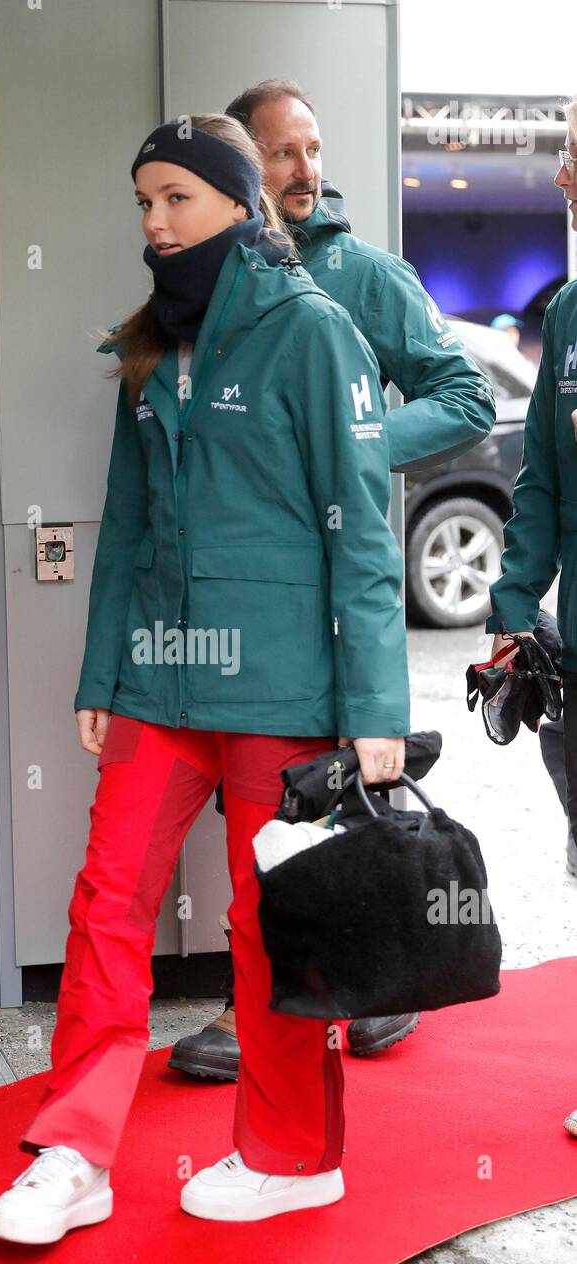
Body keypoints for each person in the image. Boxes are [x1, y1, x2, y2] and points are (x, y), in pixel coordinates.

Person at [0, 112, 410, 1244]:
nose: (154, 222)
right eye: (142, 202)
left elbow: (361, 535)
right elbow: (125, 524)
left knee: (268, 918)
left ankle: (290, 1157)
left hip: (278, 687)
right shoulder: (149, 344)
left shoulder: (310, 333)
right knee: (106, 895)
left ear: (236, 203)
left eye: (175, 198)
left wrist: (372, 707)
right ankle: (73, 1153)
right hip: (153, 690)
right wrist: (101, 669)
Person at [171, 77, 496, 1079]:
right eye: (281, 153)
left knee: (347, 784)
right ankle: (255, 994)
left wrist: (351, 448)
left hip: (340, 583)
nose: (307, 169)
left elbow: (466, 396)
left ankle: (374, 982)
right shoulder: (199, 281)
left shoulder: (366, 275)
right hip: (239, 599)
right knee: (255, 798)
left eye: (313, 149)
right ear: (239, 175)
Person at [481, 97, 577, 1139]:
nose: (561, 178)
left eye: (576, 159)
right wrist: (514, 604)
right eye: (561, 158)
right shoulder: (569, 318)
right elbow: (542, 481)